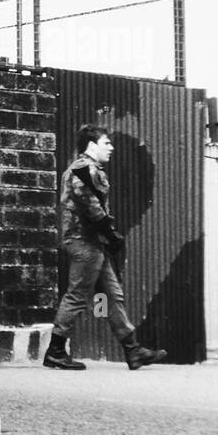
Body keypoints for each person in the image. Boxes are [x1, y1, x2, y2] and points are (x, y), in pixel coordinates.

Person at [43, 124, 165, 371]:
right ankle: (55, 351)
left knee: (112, 296)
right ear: (92, 146)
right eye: (106, 143)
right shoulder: (82, 169)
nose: (111, 147)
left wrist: (108, 235)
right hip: (83, 242)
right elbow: (91, 207)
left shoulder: (90, 169)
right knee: (77, 296)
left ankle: (133, 351)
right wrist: (112, 233)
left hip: (94, 243)